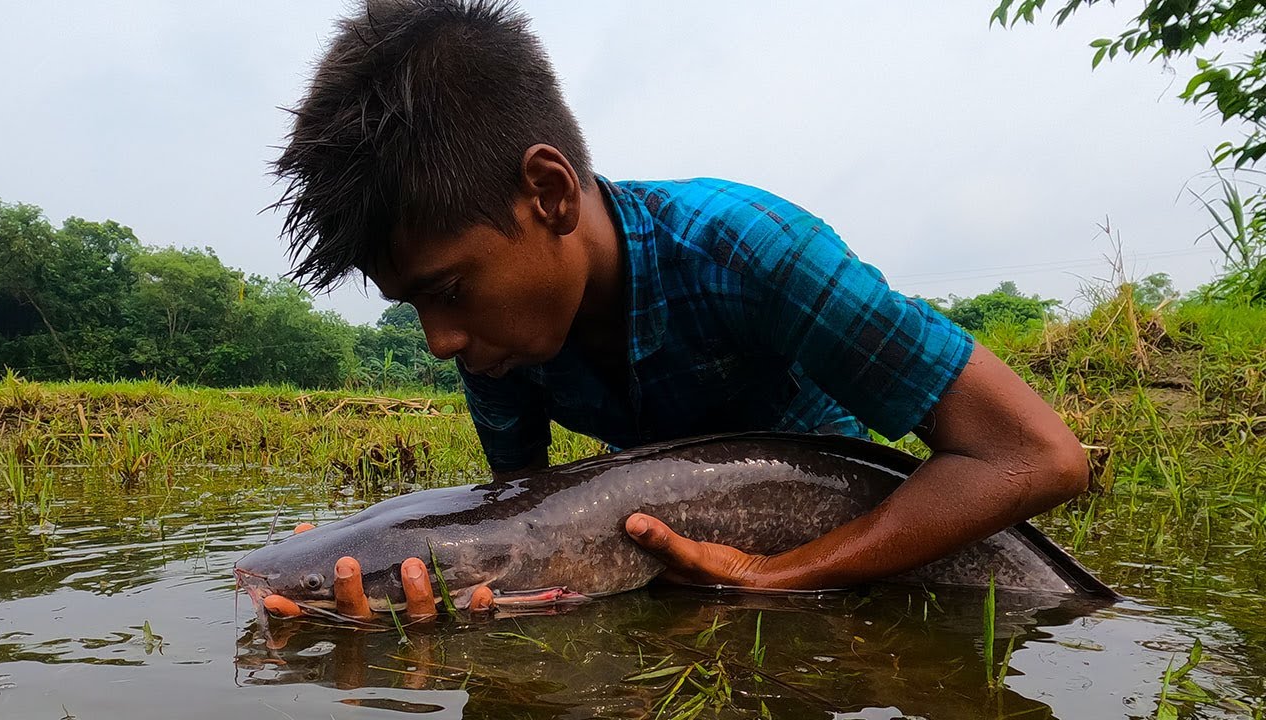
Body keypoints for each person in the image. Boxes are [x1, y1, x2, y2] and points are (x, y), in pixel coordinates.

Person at [272, 0, 1088, 600]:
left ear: (549, 194)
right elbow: (524, 516)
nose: (439, 341)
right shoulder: (497, 337)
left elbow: (1034, 457)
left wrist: (781, 574)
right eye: (415, 305)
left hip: (844, 543)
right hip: (669, 551)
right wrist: (365, 562)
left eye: (446, 291)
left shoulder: (752, 248)